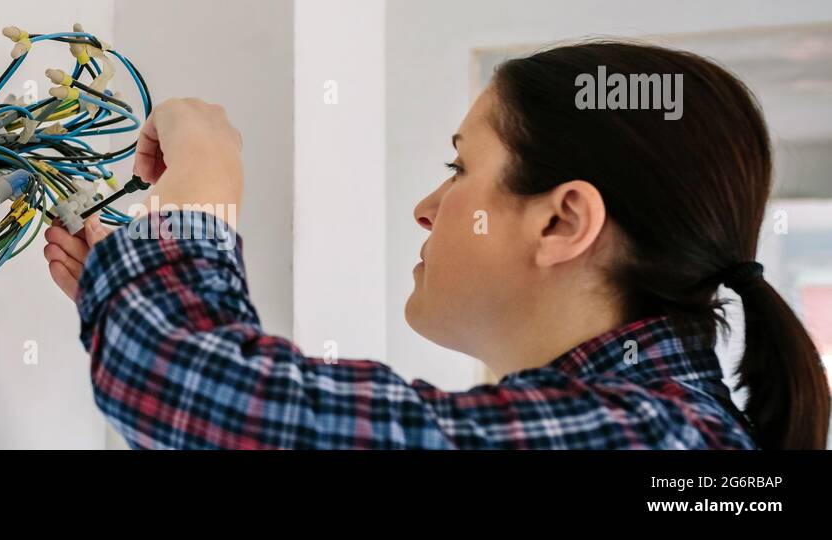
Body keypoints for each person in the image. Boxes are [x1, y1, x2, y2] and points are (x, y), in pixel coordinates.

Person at [42, 41, 830, 449]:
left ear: (563, 222)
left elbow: (188, 386)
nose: (427, 209)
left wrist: (200, 200)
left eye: (460, 167)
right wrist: (135, 294)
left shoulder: (650, 440)